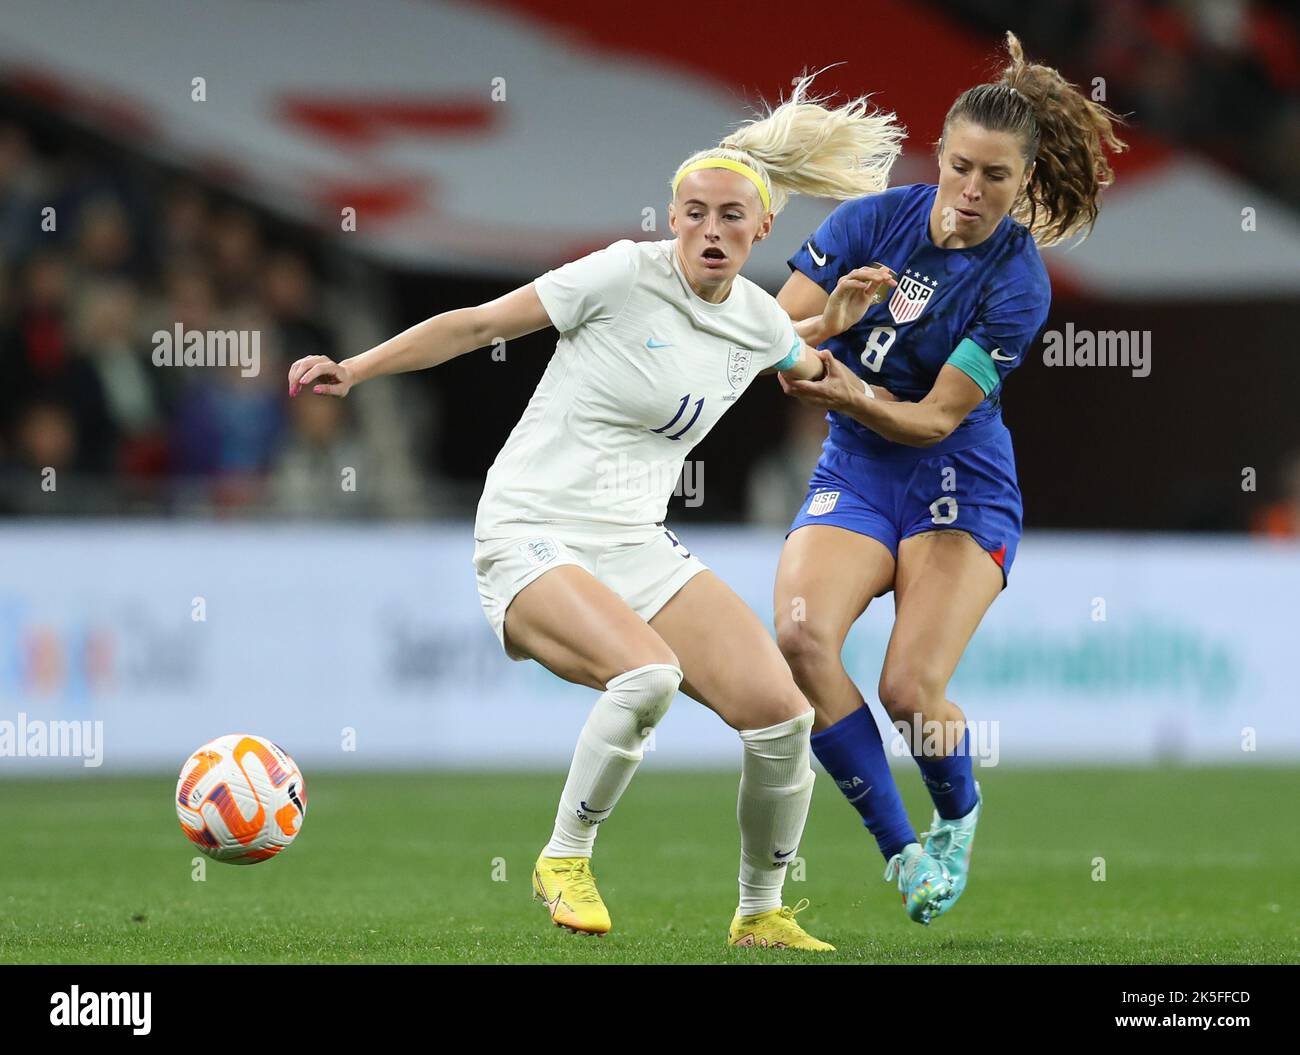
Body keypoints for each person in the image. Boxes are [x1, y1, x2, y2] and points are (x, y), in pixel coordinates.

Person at [286, 77, 903, 950]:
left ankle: (761, 911)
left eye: (732, 217)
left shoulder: (761, 319)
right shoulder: (621, 273)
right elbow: (476, 324)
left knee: (782, 716)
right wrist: (356, 368)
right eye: (693, 213)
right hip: (529, 527)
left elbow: (799, 363)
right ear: (671, 217)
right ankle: (563, 855)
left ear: (764, 229)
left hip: (633, 543)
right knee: (645, 676)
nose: (710, 231)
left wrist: (836, 321)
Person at [773, 33, 1126, 924]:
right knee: (802, 638)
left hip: (958, 481)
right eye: (961, 166)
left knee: (908, 690)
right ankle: (900, 847)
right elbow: (776, 348)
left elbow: (934, 416)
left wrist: (844, 383)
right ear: (939, 152)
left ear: (1024, 182)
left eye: (997, 179)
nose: (972, 192)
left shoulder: (1018, 281)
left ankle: (957, 815)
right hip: (856, 467)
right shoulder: (867, 221)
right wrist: (826, 330)